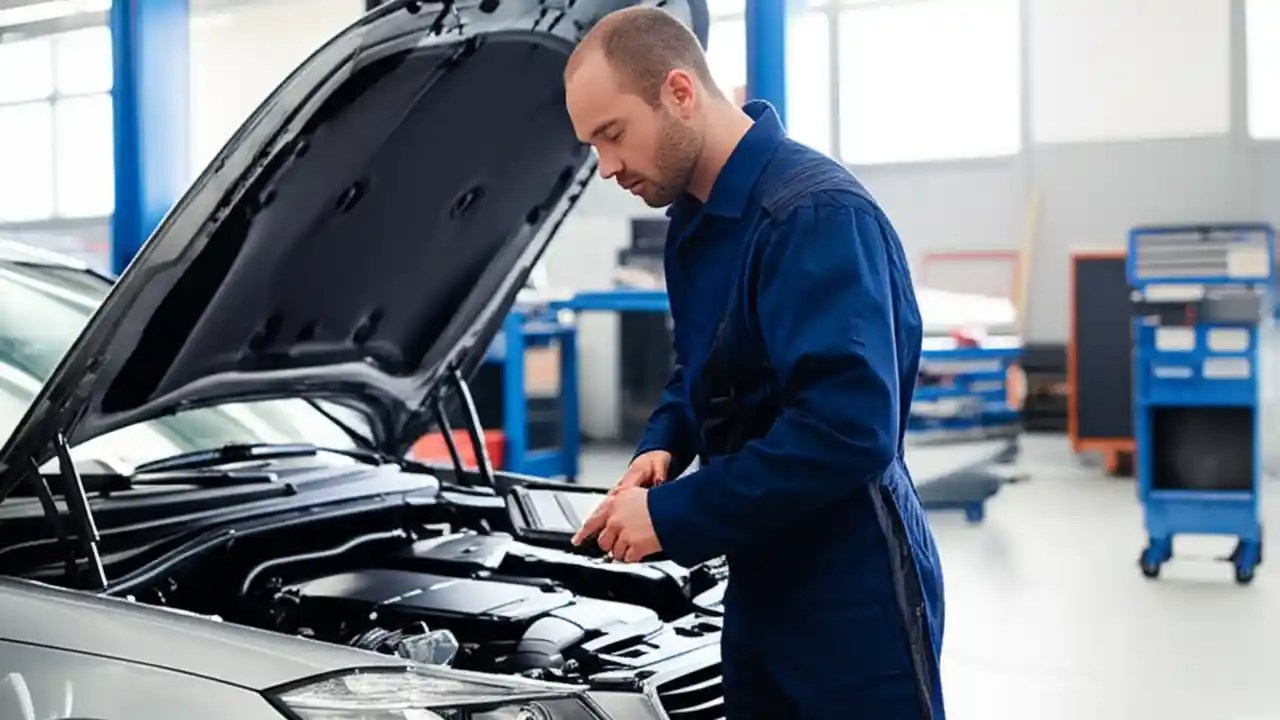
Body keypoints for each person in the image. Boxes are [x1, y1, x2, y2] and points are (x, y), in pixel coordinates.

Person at [563, 7, 946, 720]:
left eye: (612, 134)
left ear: (680, 92)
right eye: (591, 145)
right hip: (758, 576)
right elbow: (702, 370)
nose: (606, 168)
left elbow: (847, 431)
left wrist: (672, 516)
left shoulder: (815, 216)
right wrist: (664, 447)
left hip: (852, 591)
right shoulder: (694, 226)